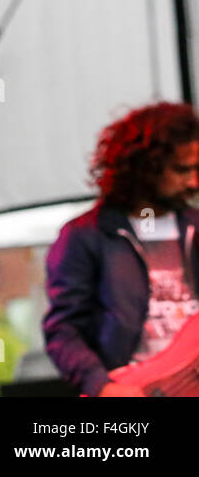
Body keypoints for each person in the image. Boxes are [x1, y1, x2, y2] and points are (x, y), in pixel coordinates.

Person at [43, 101, 199, 396]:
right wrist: (101, 386)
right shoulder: (84, 236)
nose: (194, 182)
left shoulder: (195, 227)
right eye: (181, 170)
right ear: (146, 167)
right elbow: (63, 331)